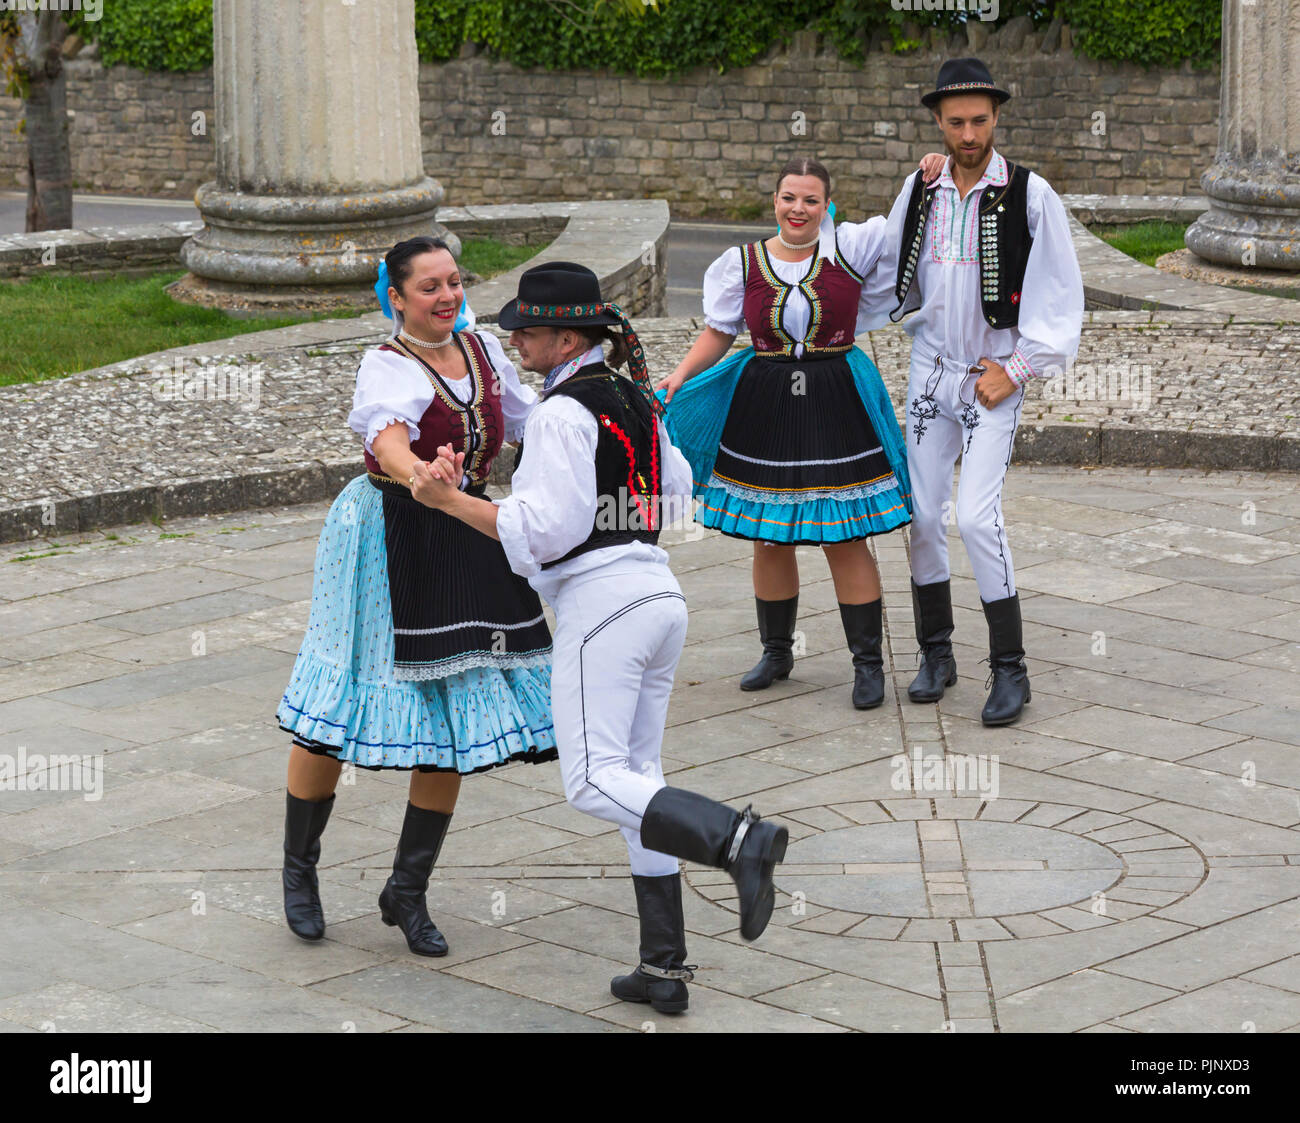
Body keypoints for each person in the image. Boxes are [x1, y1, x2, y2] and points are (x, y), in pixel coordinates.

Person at [415, 262, 788, 1015]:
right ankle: (664, 967)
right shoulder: (632, 399)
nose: (516, 337)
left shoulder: (561, 414)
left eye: (529, 327)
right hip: (657, 595)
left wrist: (450, 501)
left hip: (603, 604)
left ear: (566, 335)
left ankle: (738, 839)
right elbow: (679, 492)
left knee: (591, 780)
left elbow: (543, 531)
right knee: (637, 778)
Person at [275, 235, 556, 957]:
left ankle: (407, 888)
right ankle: (298, 870)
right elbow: (390, 438)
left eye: (454, 281)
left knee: (451, 710)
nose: (447, 296)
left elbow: (535, 422)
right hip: (385, 536)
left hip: (464, 529)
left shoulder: (486, 353)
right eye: (428, 286)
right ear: (395, 297)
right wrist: (417, 474)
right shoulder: (387, 365)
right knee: (338, 707)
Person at [656, 153, 945, 710]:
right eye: (790, 197)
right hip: (765, 400)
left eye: (811, 199)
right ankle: (777, 652)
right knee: (769, 533)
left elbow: (905, 219)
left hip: (835, 395)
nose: (798, 208)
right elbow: (720, 332)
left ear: (825, 207)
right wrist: (680, 374)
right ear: (776, 201)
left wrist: (923, 173)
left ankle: (868, 665)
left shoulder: (849, 250)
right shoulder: (740, 263)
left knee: (845, 533)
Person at [876, 58, 1083, 725]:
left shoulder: (1029, 194)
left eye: (980, 119)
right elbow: (886, 264)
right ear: (938, 121)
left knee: (975, 517)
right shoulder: (922, 187)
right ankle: (936, 654)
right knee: (924, 515)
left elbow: (1060, 298)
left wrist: (1017, 368)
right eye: (956, 121)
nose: (969, 132)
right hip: (933, 369)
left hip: (994, 372)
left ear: (996, 117)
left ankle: (1010, 669)